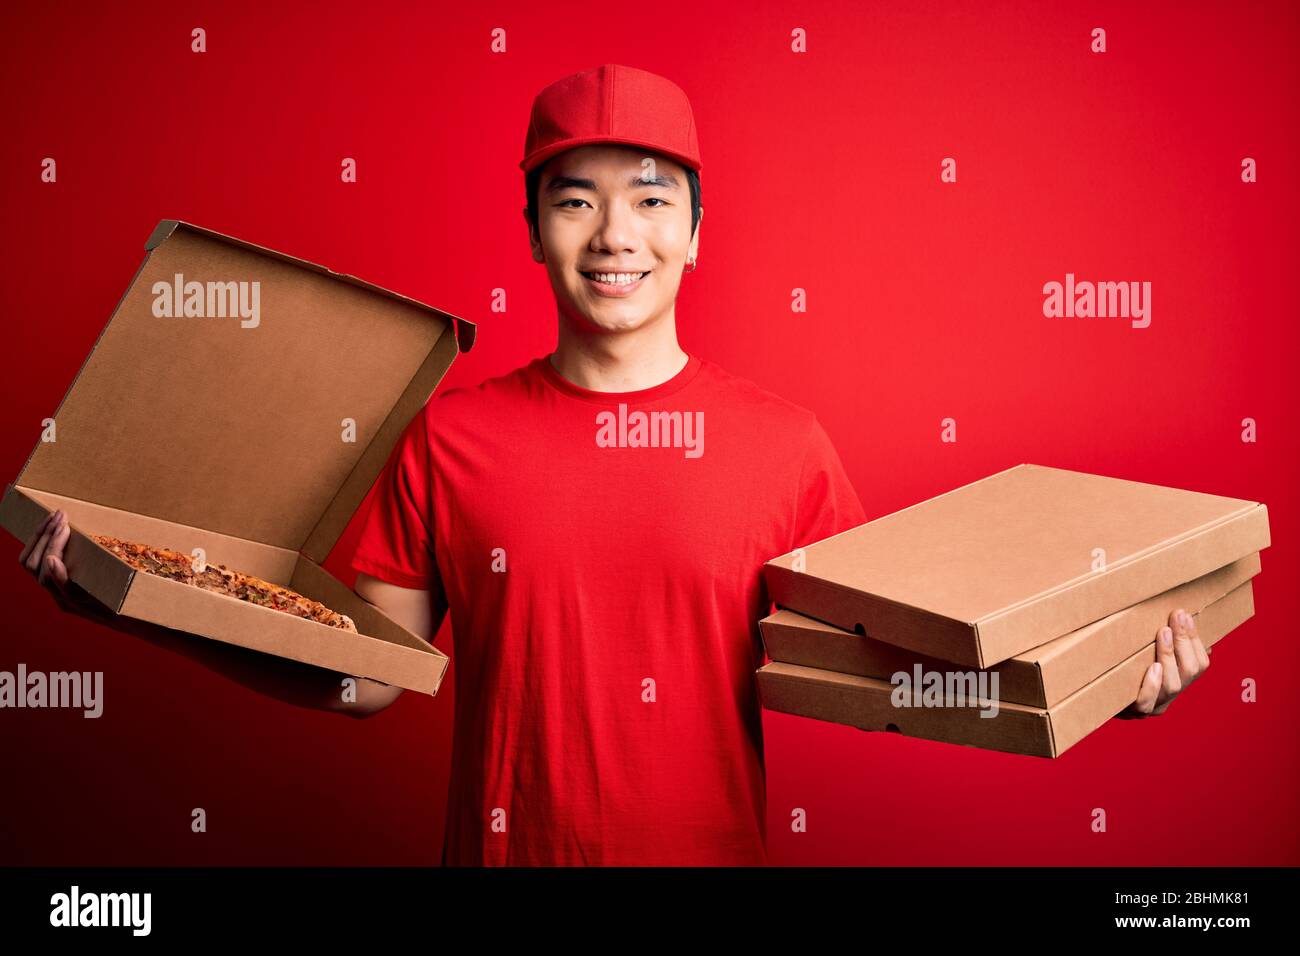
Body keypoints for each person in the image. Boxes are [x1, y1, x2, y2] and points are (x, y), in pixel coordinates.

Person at [18, 64, 1210, 866]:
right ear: (533, 227)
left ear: (696, 230)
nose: (613, 236)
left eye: (648, 200)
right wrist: (143, 607)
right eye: (573, 201)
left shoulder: (785, 446)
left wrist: (1111, 680)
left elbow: (885, 679)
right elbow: (365, 675)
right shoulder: (449, 435)